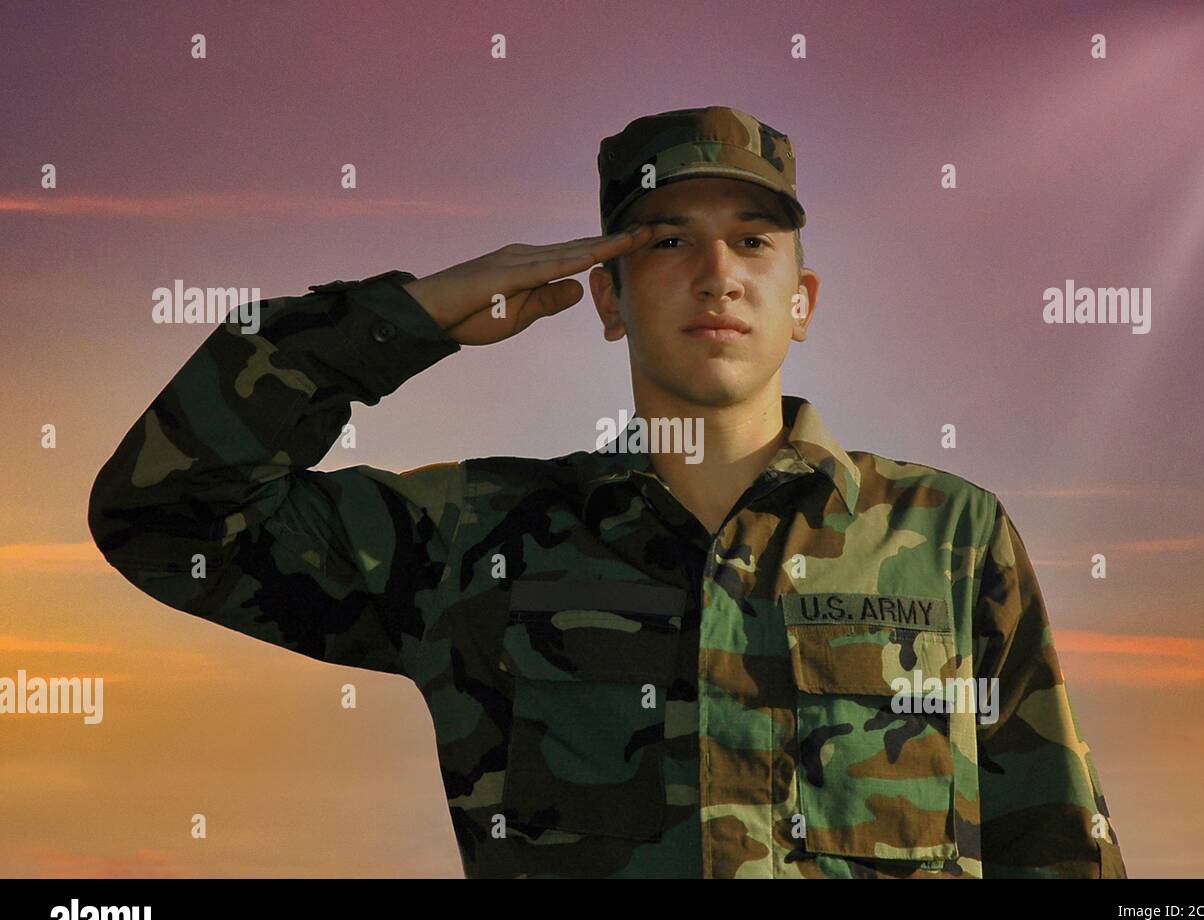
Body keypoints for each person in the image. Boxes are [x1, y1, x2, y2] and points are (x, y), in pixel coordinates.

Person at [88, 105, 1127, 878]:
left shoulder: (946, 534)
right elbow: (167, 514)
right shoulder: (475, 538)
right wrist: (411, 313)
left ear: (800, 302)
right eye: (667, 239)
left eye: (753, 241)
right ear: (609, 298)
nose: (716, 271)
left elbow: (1057, 846)